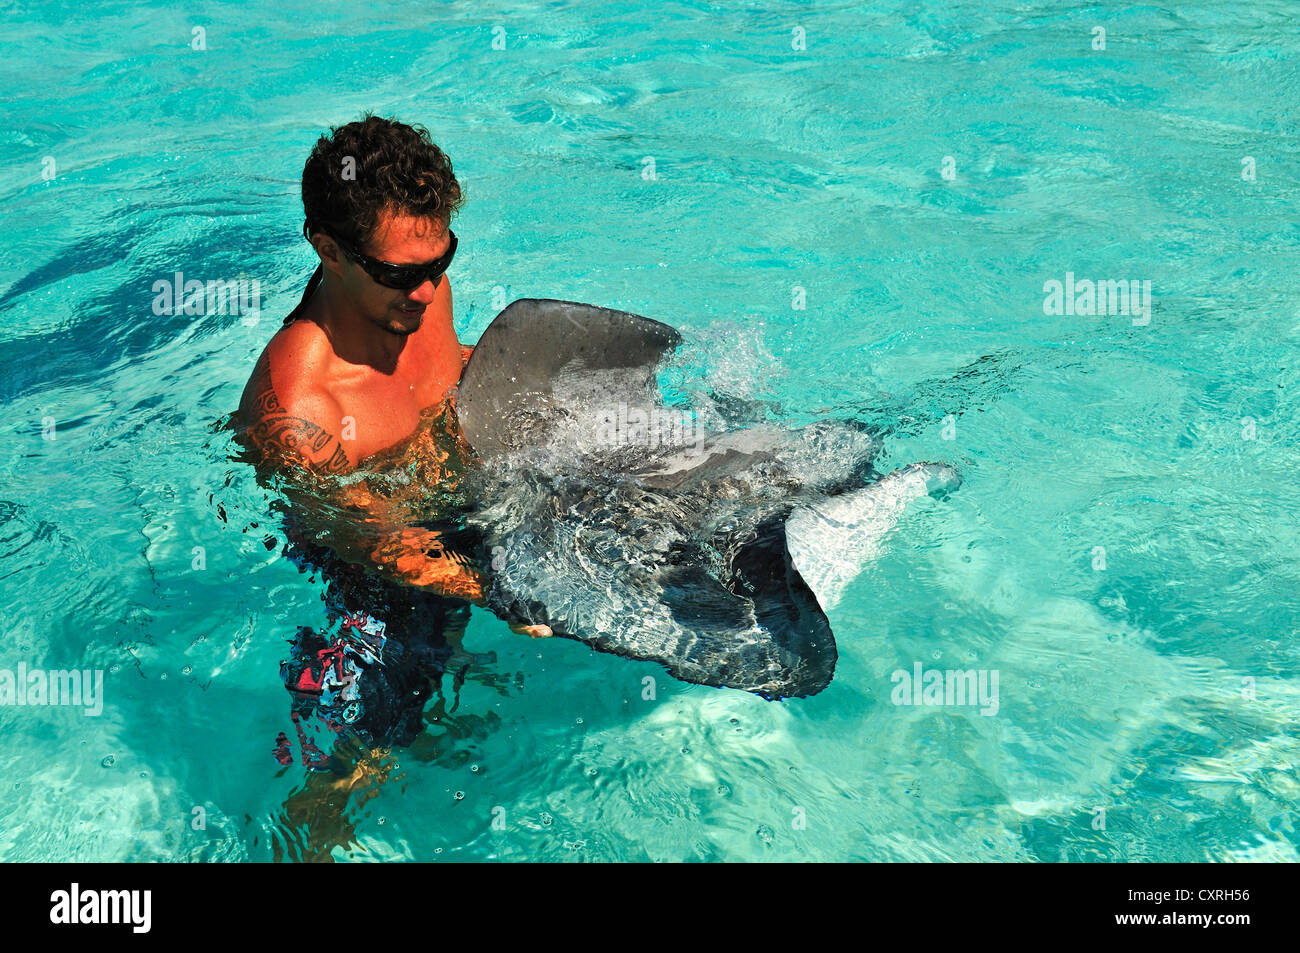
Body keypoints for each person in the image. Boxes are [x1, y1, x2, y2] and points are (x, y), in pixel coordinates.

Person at [236, 115, 548, 787]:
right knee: (352, 752)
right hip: (369, 567)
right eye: (401, 273)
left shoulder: (416, 294)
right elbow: (370, 538)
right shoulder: (301, 410)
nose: (429, 291)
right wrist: (507, 591)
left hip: (449, 502)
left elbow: (452, 382)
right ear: (329, 250)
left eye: (442, 262)